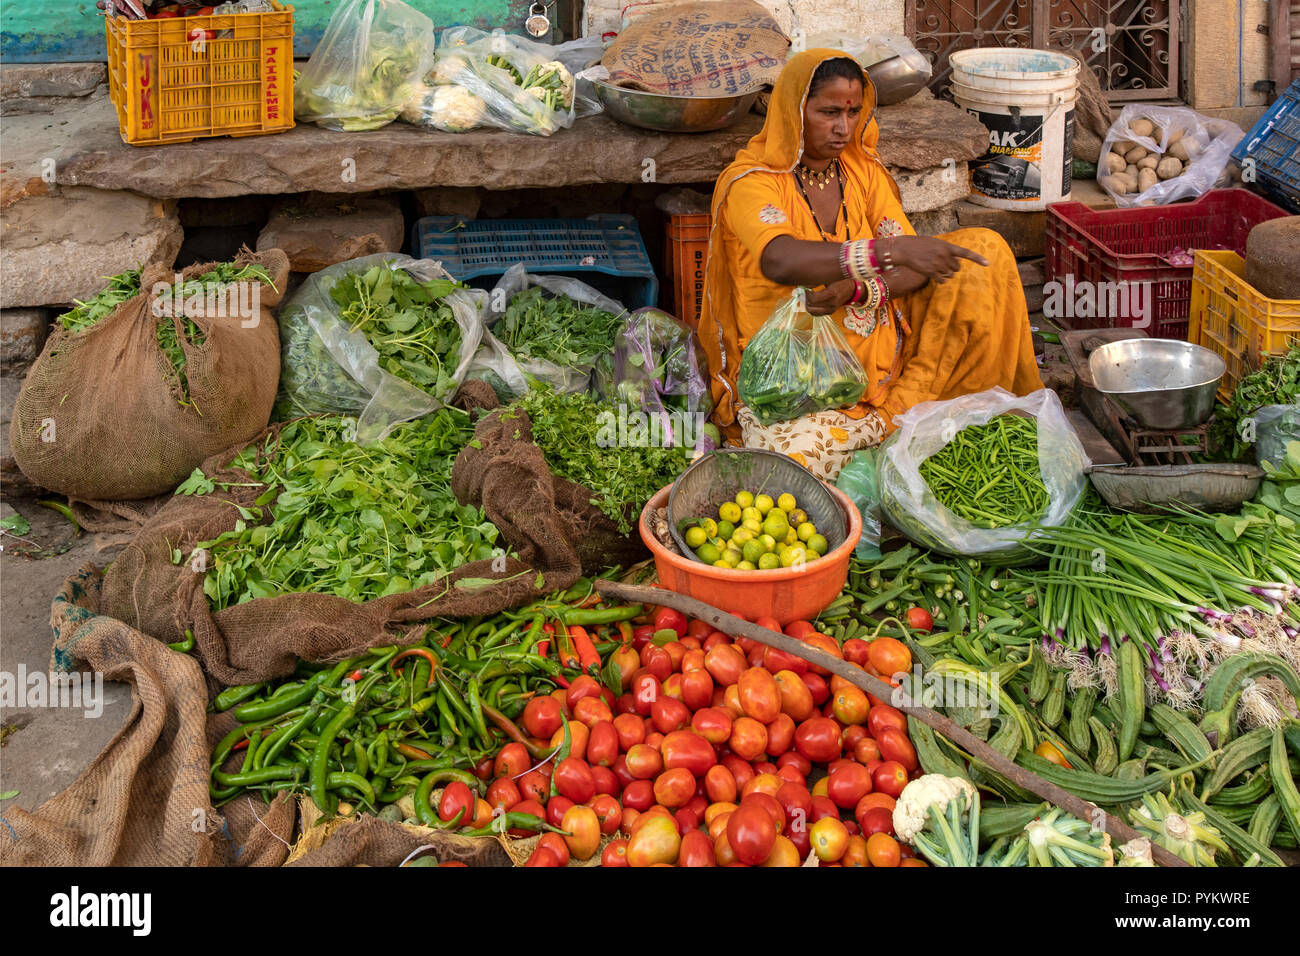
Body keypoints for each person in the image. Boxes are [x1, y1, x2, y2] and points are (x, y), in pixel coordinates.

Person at [698, 49, 1044, 479]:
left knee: (983, 251)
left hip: (876, 341)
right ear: (792, 111)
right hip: (794, 367)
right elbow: (780, 260)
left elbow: (916, 263)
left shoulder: (862, 173)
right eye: (828, 112)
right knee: (797, 462)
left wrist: (857, 289)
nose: (843, 128)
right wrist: (885, 254)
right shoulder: (754, 182)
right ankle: (900, 428)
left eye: (853, 113)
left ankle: (907, 414)